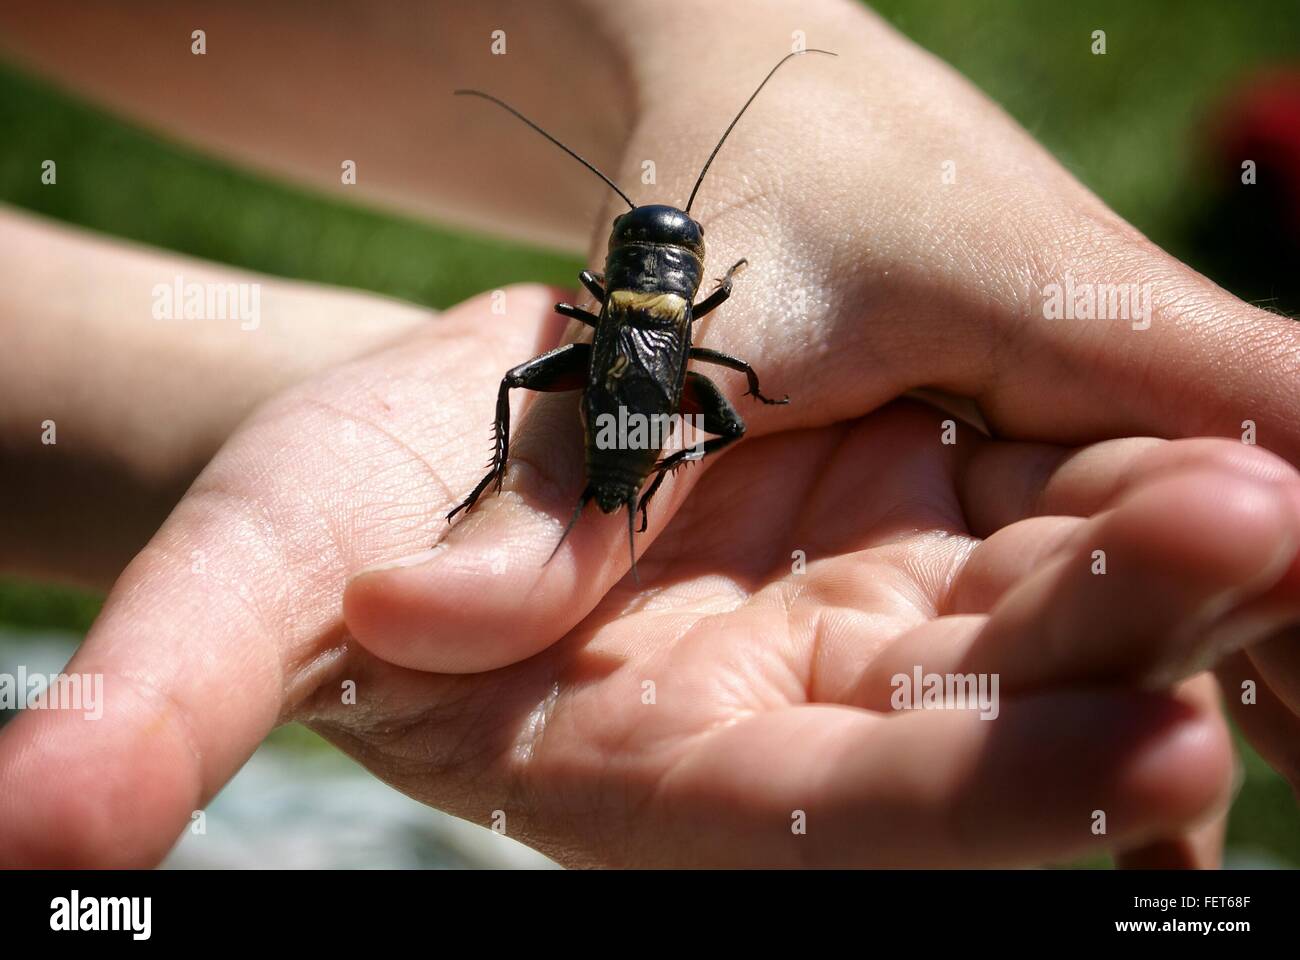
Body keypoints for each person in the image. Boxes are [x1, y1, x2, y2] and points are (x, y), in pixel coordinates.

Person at [0, 0, 1296, 868]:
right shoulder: (692, 312)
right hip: (652, 411)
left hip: (625, 409)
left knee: (576, 399)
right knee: (700, 407)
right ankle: (583, 479)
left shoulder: (613, 302)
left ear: (636, 274)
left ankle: (562, 480)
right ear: (652, 276)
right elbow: (719, 365)